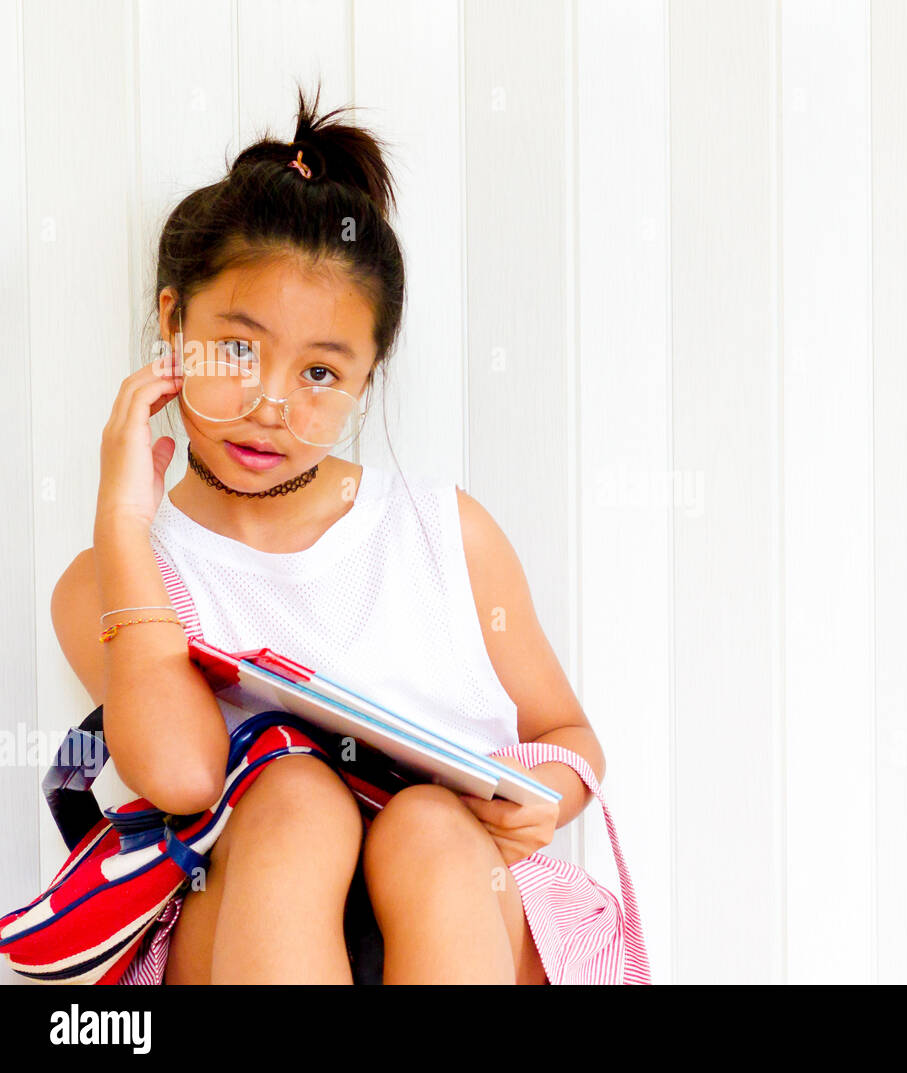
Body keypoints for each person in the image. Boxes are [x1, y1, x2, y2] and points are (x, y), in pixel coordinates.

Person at [47, 84, 639, 985]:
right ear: (172, 323)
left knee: (430, 829)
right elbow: (182, 775)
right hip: (245, 921)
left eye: (321, 371)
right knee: (290, 798)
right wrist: (125, 519)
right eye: (237, 350)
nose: (271, 404)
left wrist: (547, 799)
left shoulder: (448, 535)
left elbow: (567, 732)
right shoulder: (111, 577)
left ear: (368, 380)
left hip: (457, 912)